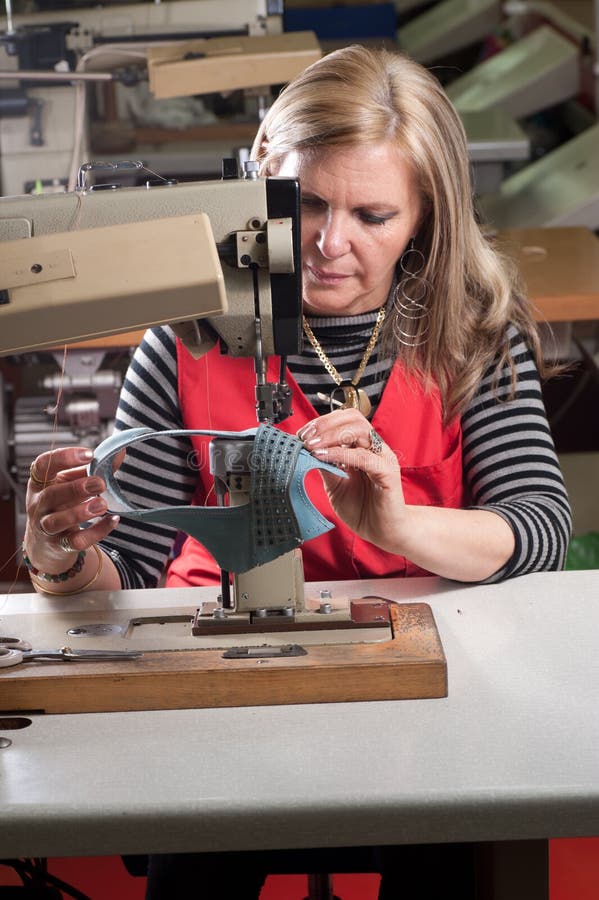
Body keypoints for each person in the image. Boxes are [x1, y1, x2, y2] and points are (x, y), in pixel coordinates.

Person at [22, 45, 571, 899]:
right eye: (303, 202)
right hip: (225, 687)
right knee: (196, 860)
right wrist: (62, 557)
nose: (327, 243)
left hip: (424, 692)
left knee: (444, 849)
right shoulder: (185, 338)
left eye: (373, 215)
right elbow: (126, 565)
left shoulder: (470, 337)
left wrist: (398, 526)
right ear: (256, 180)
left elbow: (538, 527)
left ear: (426, 217)